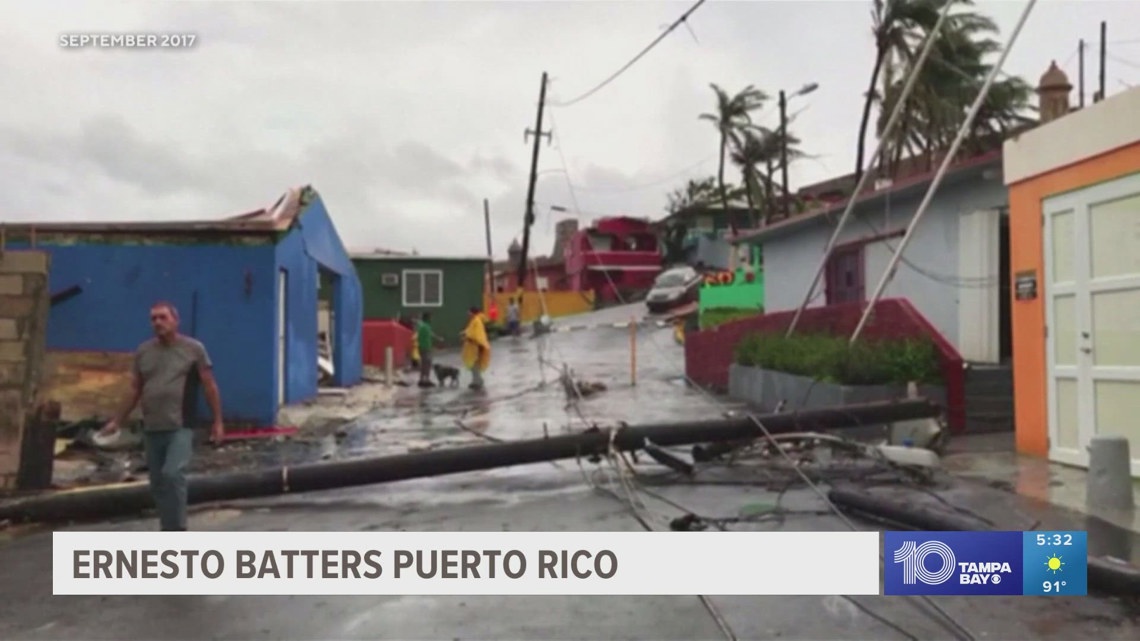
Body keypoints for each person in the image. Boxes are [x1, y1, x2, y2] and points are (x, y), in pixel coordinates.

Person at [97, 301, 223, 532]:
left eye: (163, 317)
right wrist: (117, 420)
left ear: (176, 320)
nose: (157, 323)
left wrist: (217, 421)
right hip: (153, 426)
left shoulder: (193, 349)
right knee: (158, 484)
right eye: (153, 318)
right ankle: (168, 528)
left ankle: (177, 530)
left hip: (180, 425)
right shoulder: (144, 351)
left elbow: (209, 386)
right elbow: (135, 389)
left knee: (173, 474)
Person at [461, 306, 491, 390]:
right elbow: (470, 331)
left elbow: (476, 335)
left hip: (475, 347)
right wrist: (465, 333)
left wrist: (467, 336)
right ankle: (477, 380)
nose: (467, 314)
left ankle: (477, 381)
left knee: (474, 365)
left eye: (469, 312)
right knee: (474, 365)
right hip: (474, 347)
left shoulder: (476, 321)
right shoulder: (474, 321)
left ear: (472, 312)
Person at [416, 312, 436, 387]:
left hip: (423, 347)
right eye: (430, 317)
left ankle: (422, 379)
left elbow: (429, 334)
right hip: (426, 347)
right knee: (427, 363)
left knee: (424, 363)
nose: (432, 319)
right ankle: (425, 380)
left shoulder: (423, 326)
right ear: (427, 318)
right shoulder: (425, 326)